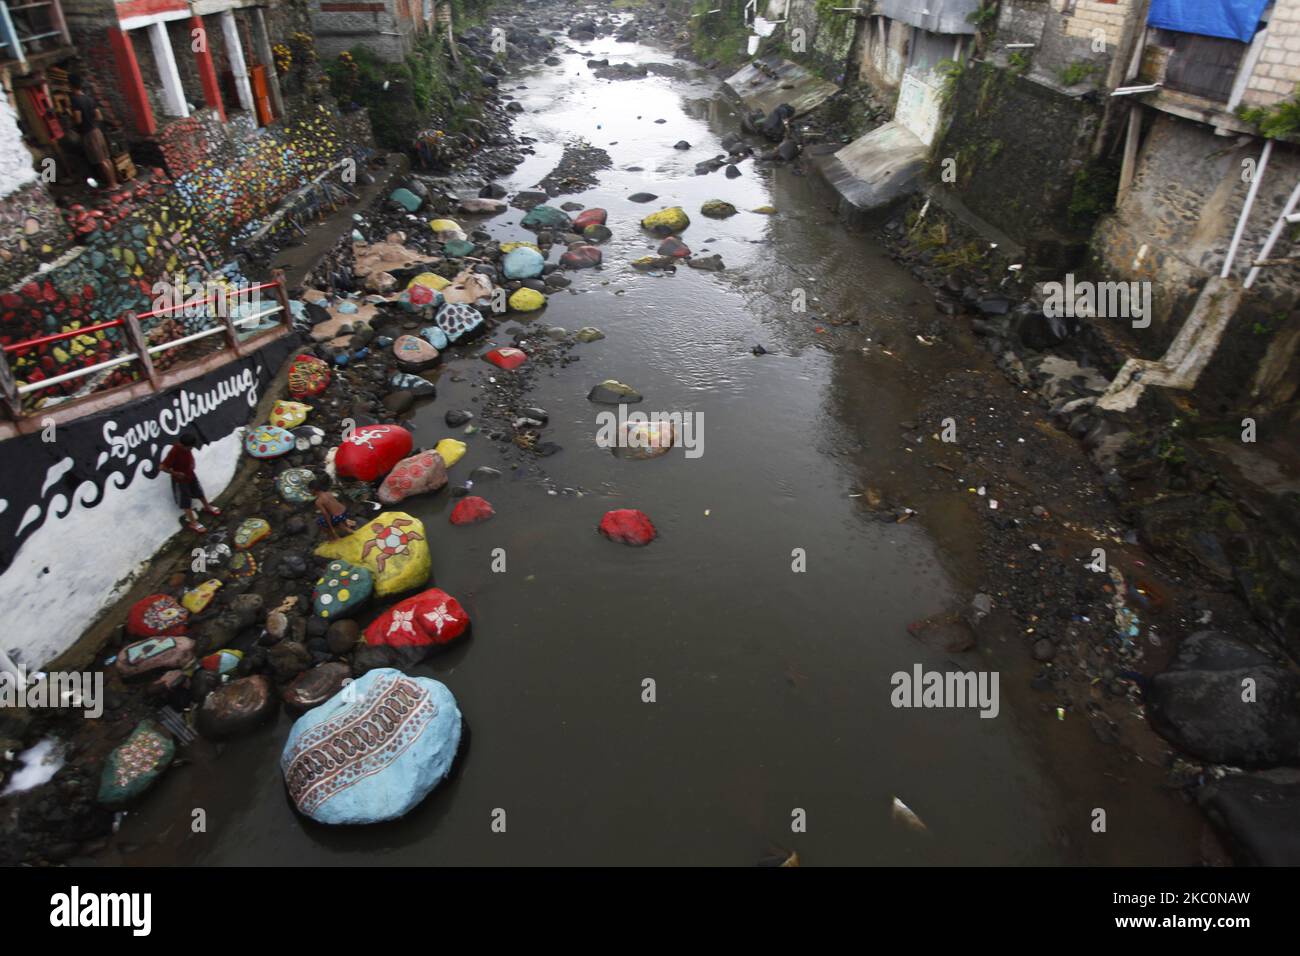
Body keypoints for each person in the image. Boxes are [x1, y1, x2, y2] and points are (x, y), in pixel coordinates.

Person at [160, 433, 221, 533]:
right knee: (186, 502)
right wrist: (175, 473)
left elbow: (189, 454)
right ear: (183, 445)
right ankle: (193, 523)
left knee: (199, 492)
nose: (191, 449)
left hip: (190, 475)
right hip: (180, 480)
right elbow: (162, 467)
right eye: (190, 448)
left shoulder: (187, 449)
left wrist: (192, 461)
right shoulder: (174, 451)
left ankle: (207, 507)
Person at [67, 74, 117, 190]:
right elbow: (99, 117)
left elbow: (78, 120)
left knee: (100, 160)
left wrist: (71, 115)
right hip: (97, 130)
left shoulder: (75, 100)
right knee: (106, 158)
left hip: (88, 133)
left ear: (70, 86)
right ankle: (114, 182)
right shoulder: (89, 99)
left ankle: (112, 184)